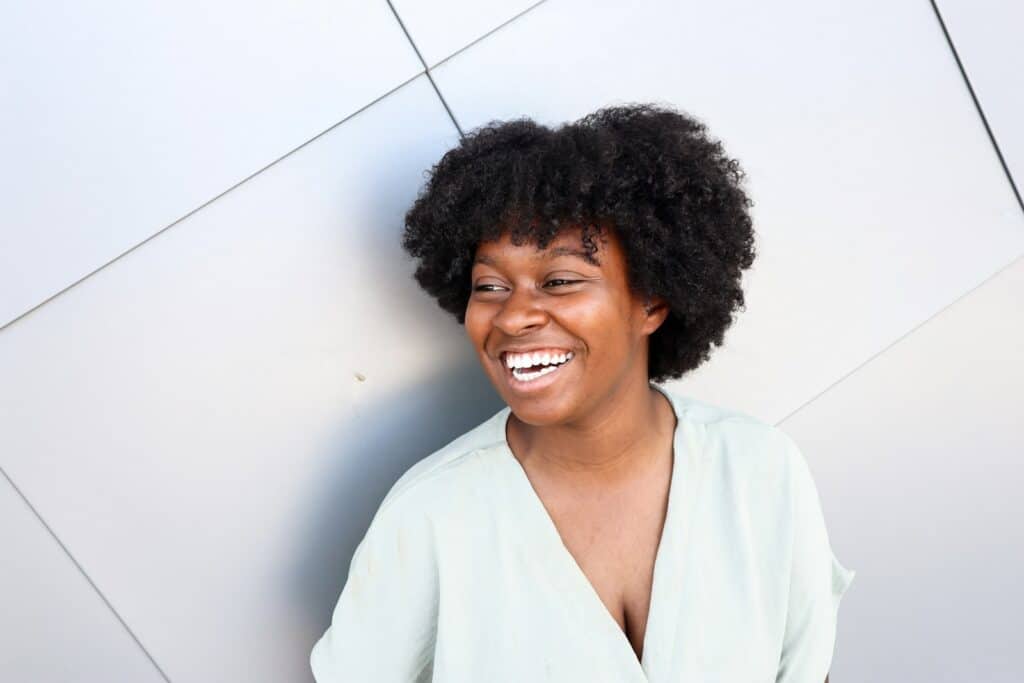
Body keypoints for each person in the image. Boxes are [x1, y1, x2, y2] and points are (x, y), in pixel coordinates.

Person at [310, 103, 855, 682]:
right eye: (489, 285)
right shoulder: (426, 519)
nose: (515, 316)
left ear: (650, 301)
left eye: (560, 281)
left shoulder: (758, 469)